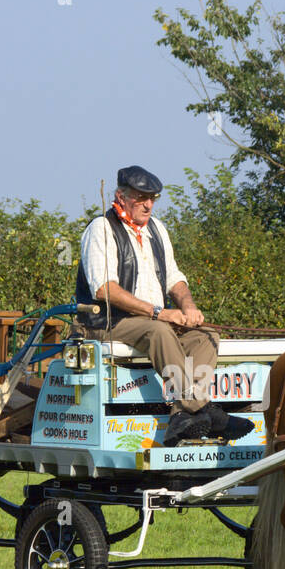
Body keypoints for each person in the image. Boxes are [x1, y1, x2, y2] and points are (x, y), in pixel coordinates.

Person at [75, 165, 253, 446]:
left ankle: (183, 415)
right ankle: (205, 409)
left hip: (149, 323)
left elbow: (175, 280)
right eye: (141, 197)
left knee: (205, 336)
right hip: (107, 323)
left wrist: (188, 307)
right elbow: (104, 290)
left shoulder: (156, 229)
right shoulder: (101, 229)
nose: (148, 205)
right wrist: (159, 312)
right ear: (121, 196)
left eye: (153, 198)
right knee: (159, 331)